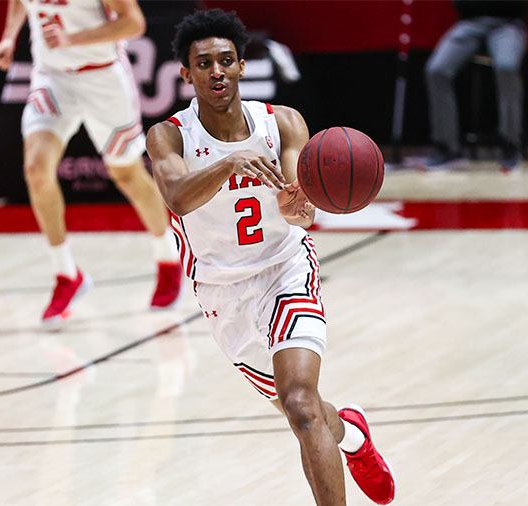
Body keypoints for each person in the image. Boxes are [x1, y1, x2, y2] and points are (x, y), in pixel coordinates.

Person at [145, 9, 395, 506]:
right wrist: (229, 163)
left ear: (242, 66)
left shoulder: (281, 122)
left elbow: (299, 203)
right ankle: (353, 436)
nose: (217, 71)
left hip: (285, 270)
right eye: (203, 64)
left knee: (301, 405)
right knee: (302, 411)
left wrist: (297, 207)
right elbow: (176, 197)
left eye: (226, 60)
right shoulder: (169, 137)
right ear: (186, 74)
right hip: (221, 291)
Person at [0, 0, 182, 324]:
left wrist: (72, 40)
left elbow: (133, 23)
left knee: (126, 175)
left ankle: (168, 259)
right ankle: (67, 274)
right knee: (36, 170)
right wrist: (9, 36)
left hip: (102, 78)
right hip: (52, 77)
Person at [425, 0, 528, 171]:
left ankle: (510, 144)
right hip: (470, 23)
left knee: (507, 67)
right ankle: (447, 148)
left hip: (508, 24)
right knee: (437, 70)